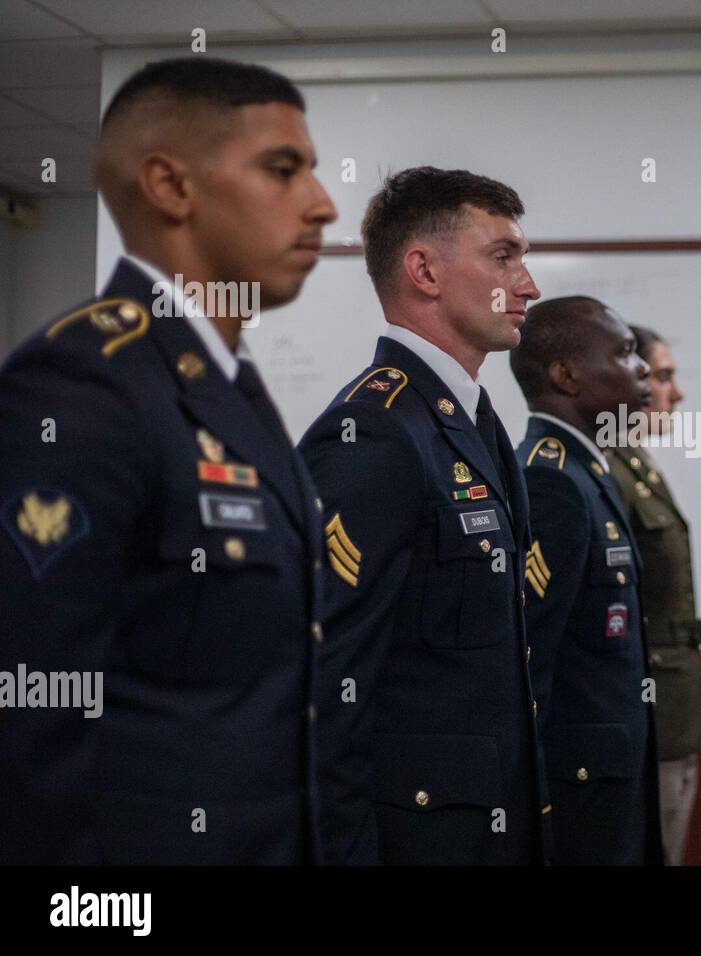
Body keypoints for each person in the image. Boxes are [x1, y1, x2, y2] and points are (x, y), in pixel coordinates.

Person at [0, 57, 338, 863]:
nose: (322, 205)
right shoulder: (82, 385)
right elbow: (29, 728)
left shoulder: (224, 383)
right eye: (282, 170)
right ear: (170, 186)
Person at [298, 168, 548, 865]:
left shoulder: (472, 420)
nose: (529, 285)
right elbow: (323, 690)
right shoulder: (374, 431)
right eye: (504, 257)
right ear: (424, 271)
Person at [510, 296, 664, 865]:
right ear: (566, 375)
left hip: (608, 777)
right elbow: (530, 664)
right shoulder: (552, 483)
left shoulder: (586, 473)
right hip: (575, 797)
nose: (642, 368)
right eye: (624, 353)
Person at [606, 324, 701, 866]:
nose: (676, 393)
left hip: (671, 701)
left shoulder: (638, 466)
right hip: (643, 705)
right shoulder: (609, 472)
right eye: (664, 377)